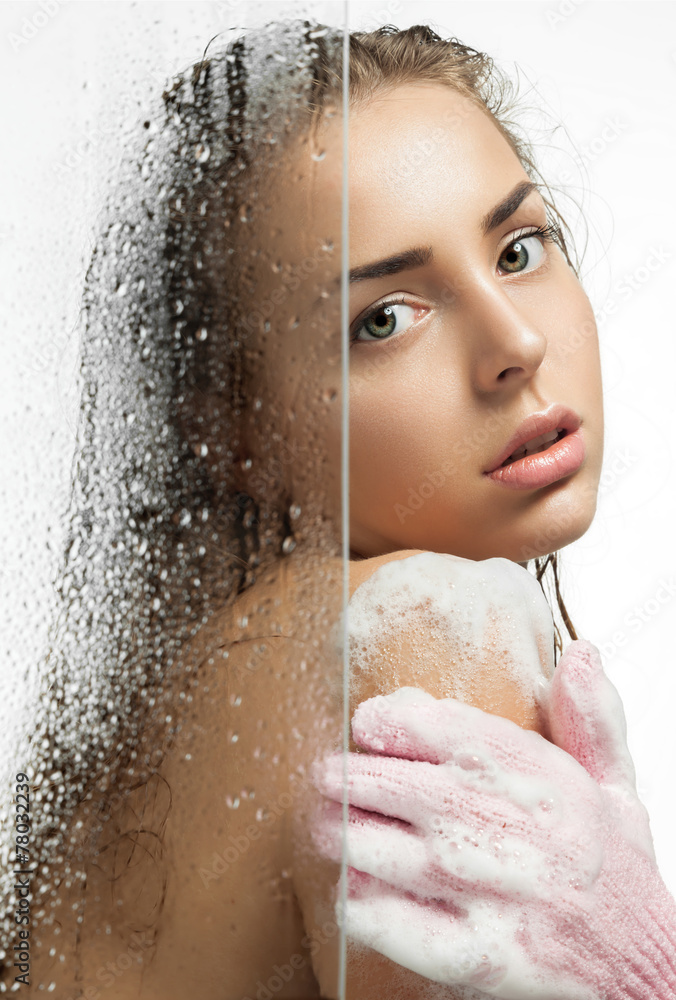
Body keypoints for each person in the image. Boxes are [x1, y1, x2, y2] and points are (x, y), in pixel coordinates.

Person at [9, 17, 674, 999]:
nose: (515, 344)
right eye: (383, 319)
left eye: (520, 248)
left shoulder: (181, 712)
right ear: (237, 431)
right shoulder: (419, 636)